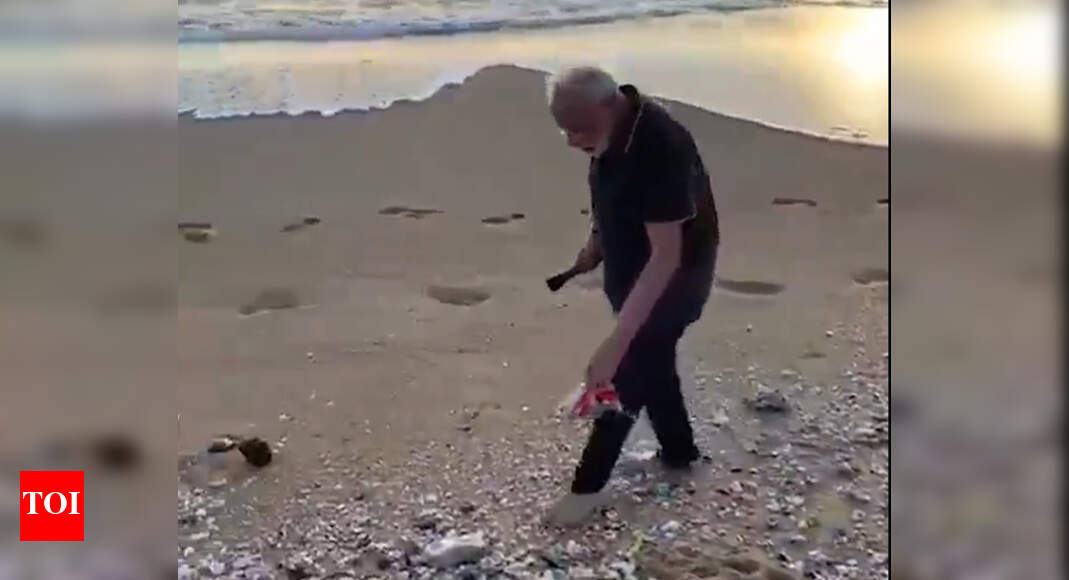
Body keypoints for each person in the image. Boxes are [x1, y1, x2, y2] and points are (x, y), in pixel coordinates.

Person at [545, 67, 720, 525]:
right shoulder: (607, 132)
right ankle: (680, 453)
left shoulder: (660, 147)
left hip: (675, 281)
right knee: (655, 366)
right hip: (631, 275)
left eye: (578, 129)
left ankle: (586, 490)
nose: (570, 141)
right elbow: (611, 198)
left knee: (625, 378)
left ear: (608, 106)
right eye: (564, 131)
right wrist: (594, 247)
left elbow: (666, 256)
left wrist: (614, 342)